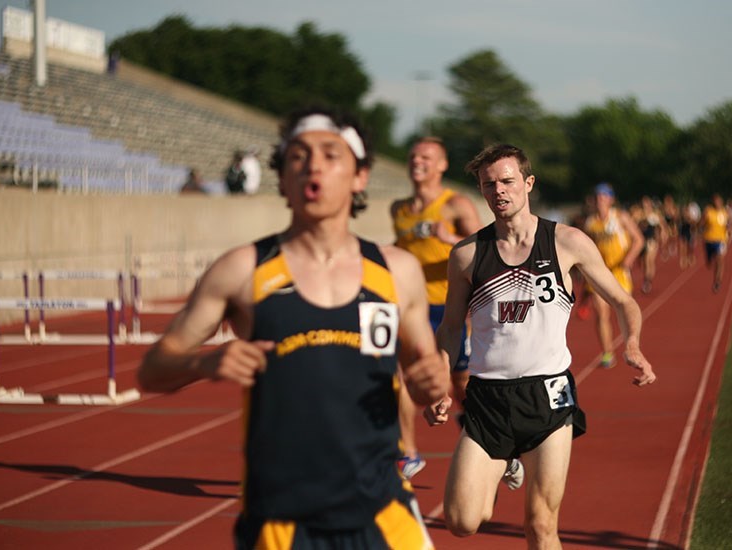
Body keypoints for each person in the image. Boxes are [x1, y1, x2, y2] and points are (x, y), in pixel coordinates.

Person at [138, 107, 449, 549]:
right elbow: (152, 370)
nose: (314, 166)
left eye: (330, 154)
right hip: (282, 522)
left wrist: (432, 383)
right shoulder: (242, 271)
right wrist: (204, 362)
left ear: (360, 177)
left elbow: (422, 377)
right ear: (282, 178)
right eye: (298, 156)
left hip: (383, 514)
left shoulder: (397, 271)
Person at [425, 144, 657, 549]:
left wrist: (632, 343)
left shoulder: (566, 242)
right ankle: (507, 464)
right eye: (489, 184)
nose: (499, 191)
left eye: (508, 181)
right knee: (462, 521)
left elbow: (622, 300)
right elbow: (449, 329)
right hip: (487, 400)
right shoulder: (466, 255)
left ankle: (515, 464)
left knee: (540, 524)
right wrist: (440, 383)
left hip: (548, 396)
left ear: (528, 183)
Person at [390, 136, 482, 480]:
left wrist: (448, 239)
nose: (418, 162)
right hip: (409, 309)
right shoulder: (398, 208)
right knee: (399, 376)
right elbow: (401, 251)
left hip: (449, 308)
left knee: (460, 385)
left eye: (426, 157)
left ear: (442, 165)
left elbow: (485, 249)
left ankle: (486, 439)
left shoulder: (455, 204)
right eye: (413, 156)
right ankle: (408, 454)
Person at [581, 182, 643, 368]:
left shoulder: (621, 217)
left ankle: (632, 346)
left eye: (604, 196)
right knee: (601, 313)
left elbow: (639, 239)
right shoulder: (590, 222)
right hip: (599, 273)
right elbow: (584, 248)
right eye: (598, 196)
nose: (600, 199)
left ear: (611, 199)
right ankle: (608, 353)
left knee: (624, 310)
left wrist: (629, 259)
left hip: (619, 272)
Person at [700, 193, 730, 292]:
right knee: (710, 263)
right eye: (715, 201)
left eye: (719, 201)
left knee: (720, 260)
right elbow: (702, 223)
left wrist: (729, 232)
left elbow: (729, 224)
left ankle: (717, 282)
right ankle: (709, 259)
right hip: (708, 239)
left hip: (720, 240)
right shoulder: (708, 211)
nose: (717, 203)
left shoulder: (725, 212)